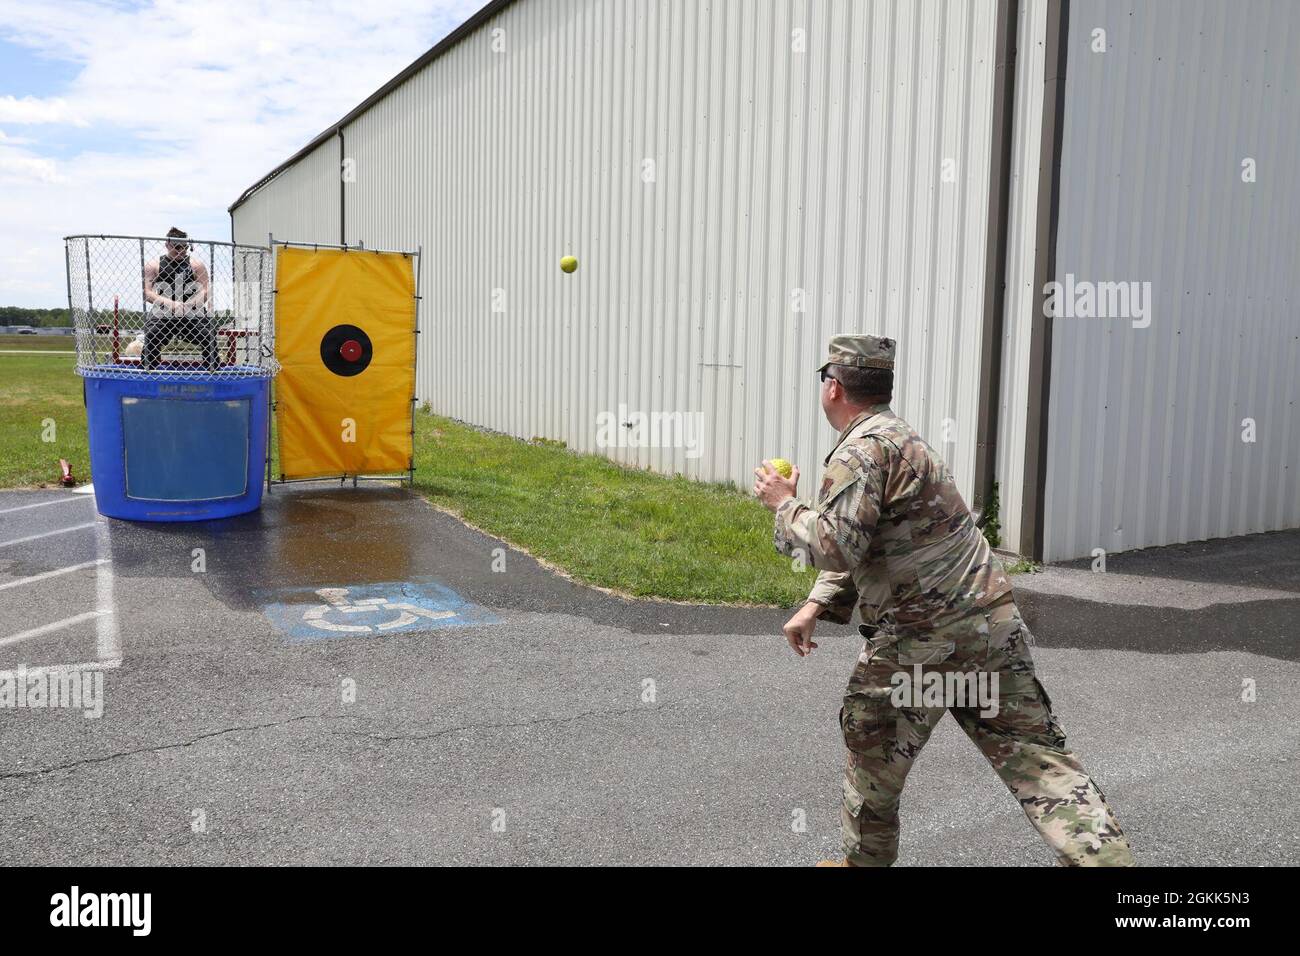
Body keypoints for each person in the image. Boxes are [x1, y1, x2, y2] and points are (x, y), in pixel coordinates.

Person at [752, 333, 1135, 867]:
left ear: (833, 387)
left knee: (873, 768)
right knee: (1044, 768)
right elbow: (890, 541)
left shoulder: (860, 451)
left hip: (917, 642)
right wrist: (818, 603)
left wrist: (784, 503)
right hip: (989, 629)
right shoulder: (904, 441)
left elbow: (837, 542)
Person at [141, 227, 215, 370]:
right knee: (151, 334)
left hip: (192, 311)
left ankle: (212, 370)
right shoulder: (154, 265)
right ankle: (149, 370)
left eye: (185, 247)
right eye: (177, 247)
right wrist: (170, 304)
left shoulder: (196, 265)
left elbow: (206, 290)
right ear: (167, 245)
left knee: (208, 334)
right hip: (163, 311)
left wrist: (191, 304)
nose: (181, 251)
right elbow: (147, 293)